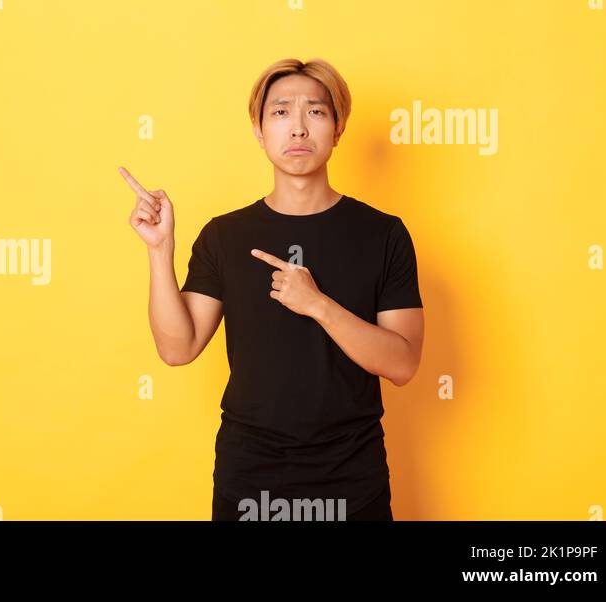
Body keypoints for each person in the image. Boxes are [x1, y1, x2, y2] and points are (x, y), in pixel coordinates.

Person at [120, 58, 424, 521]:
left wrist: (318, 305)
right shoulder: (225, 236)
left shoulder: (384, 234)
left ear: (339, 128)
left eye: (316, 112)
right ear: (260, 131)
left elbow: (403, 364)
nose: (298, 128)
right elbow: (177, 348)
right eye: (281, 112)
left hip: (351, 476)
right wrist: (160, 251)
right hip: (250, 475)